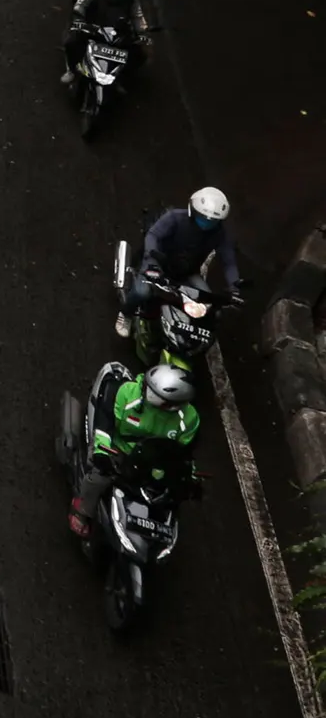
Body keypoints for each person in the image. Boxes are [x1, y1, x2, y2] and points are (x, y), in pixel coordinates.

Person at [72, 363, 201, 532]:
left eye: (155, 395)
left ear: (174, 405)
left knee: (168, 497)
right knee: (99, 478)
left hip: (152, 462)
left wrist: (188, 477)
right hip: (119, 450)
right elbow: (105, 424)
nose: (147, 394)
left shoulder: (189, 421)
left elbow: (185, 453)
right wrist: (102, 451)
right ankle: (82, 510)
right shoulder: (127, 394)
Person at [117, 188, 242, 337]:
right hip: (158, 265)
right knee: (141, 292)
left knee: (208, 306)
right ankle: (126, 314)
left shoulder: (221, 235)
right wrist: (152, 262)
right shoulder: (175, 217)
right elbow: (153, 235)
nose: (206, 224)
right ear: (193, 211)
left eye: (212, 222)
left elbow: (229, 262)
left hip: (188, 273)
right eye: (203, 218)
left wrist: (234, 287)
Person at [61, 0, 139, 84]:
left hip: (116, 34)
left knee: (138, 54)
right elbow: (80, 5)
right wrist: (79, 20)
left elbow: (137, 16)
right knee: (72, 43)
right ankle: (71, 70)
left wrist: (143, 33)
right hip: (92, 29)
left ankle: (121, 79)